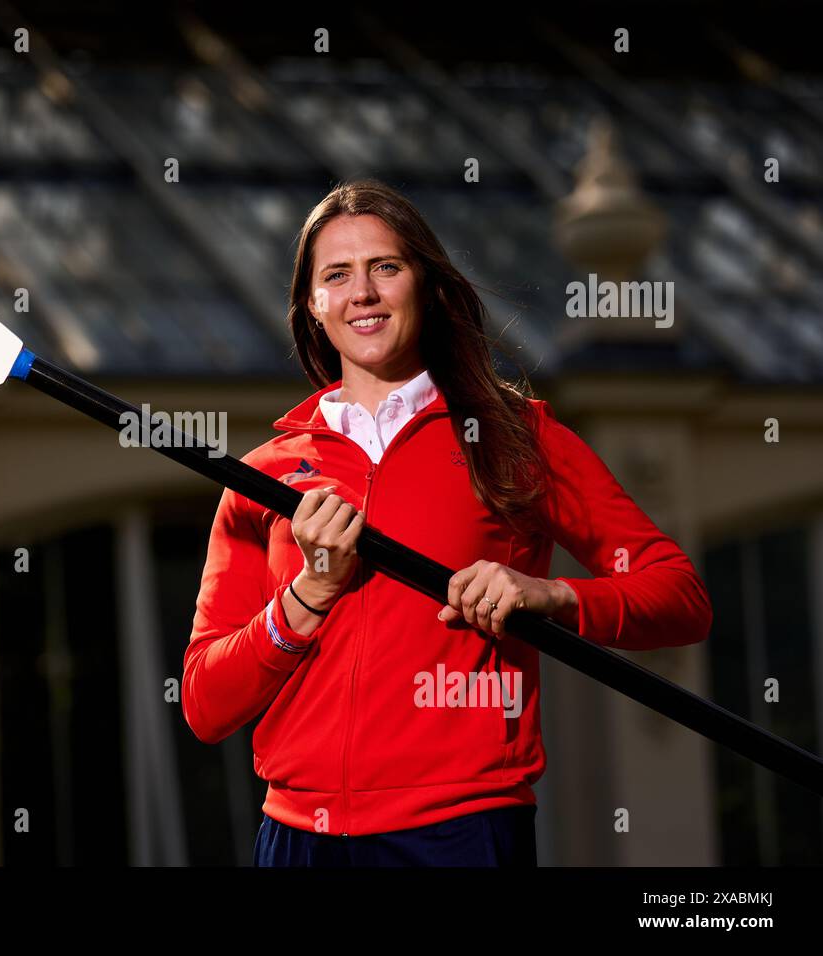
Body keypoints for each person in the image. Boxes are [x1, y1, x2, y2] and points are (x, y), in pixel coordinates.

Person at [180, 179, 713, 867]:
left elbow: (680, 596)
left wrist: (549, 596)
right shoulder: (263, 478)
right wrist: (306, 596)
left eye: (386, 267)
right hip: (295, 838)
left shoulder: (519, 439)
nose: (361, 293)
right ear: (312, 306)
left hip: (457, 834)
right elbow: (204, 704)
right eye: (336, 275)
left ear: (427, 288)